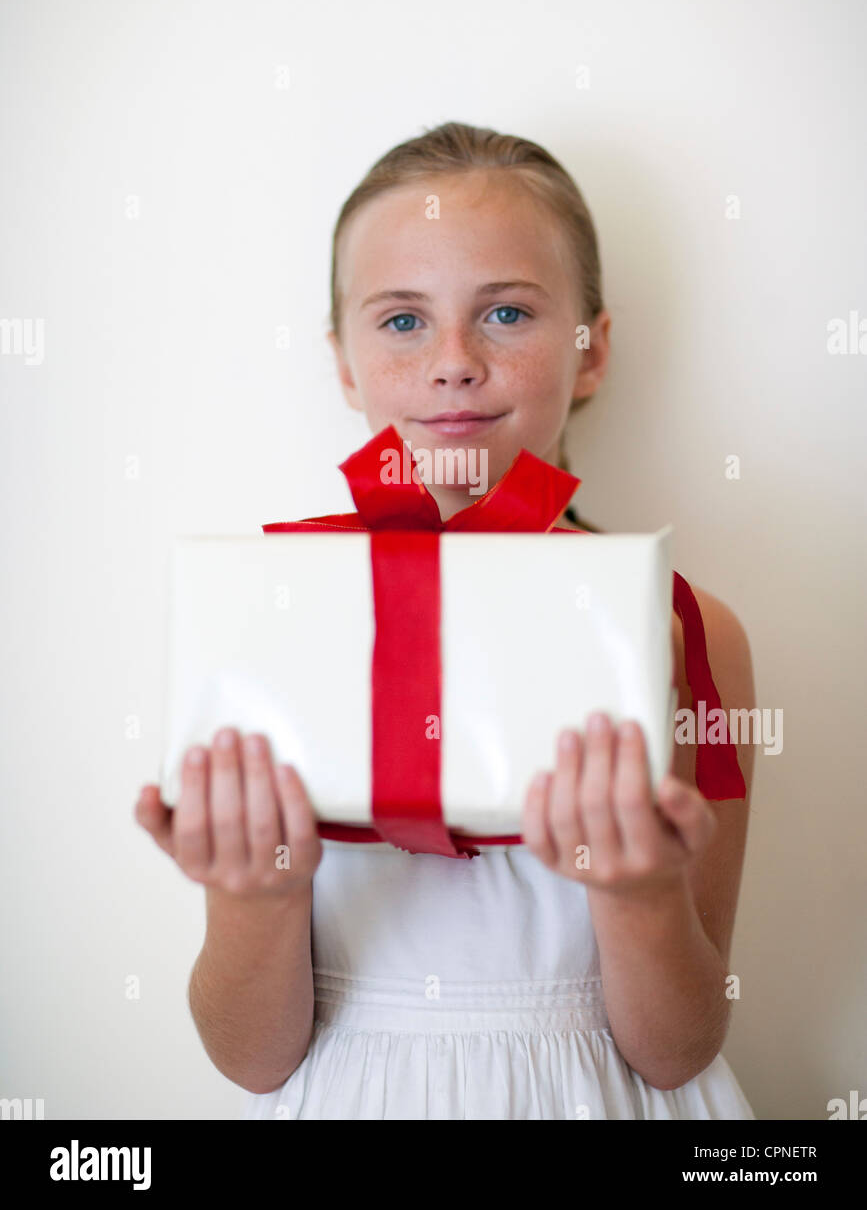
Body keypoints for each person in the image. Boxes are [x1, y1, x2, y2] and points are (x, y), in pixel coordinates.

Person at [135, 121, 756, 1118]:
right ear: (343, 363)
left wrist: (635, 891)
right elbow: (253, 1061)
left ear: (593, 350)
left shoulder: (691, 631)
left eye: (506, 311)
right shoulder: (274, 617)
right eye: (402, 321)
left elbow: (681, 1049)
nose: (455, 361)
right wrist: (260, 893)